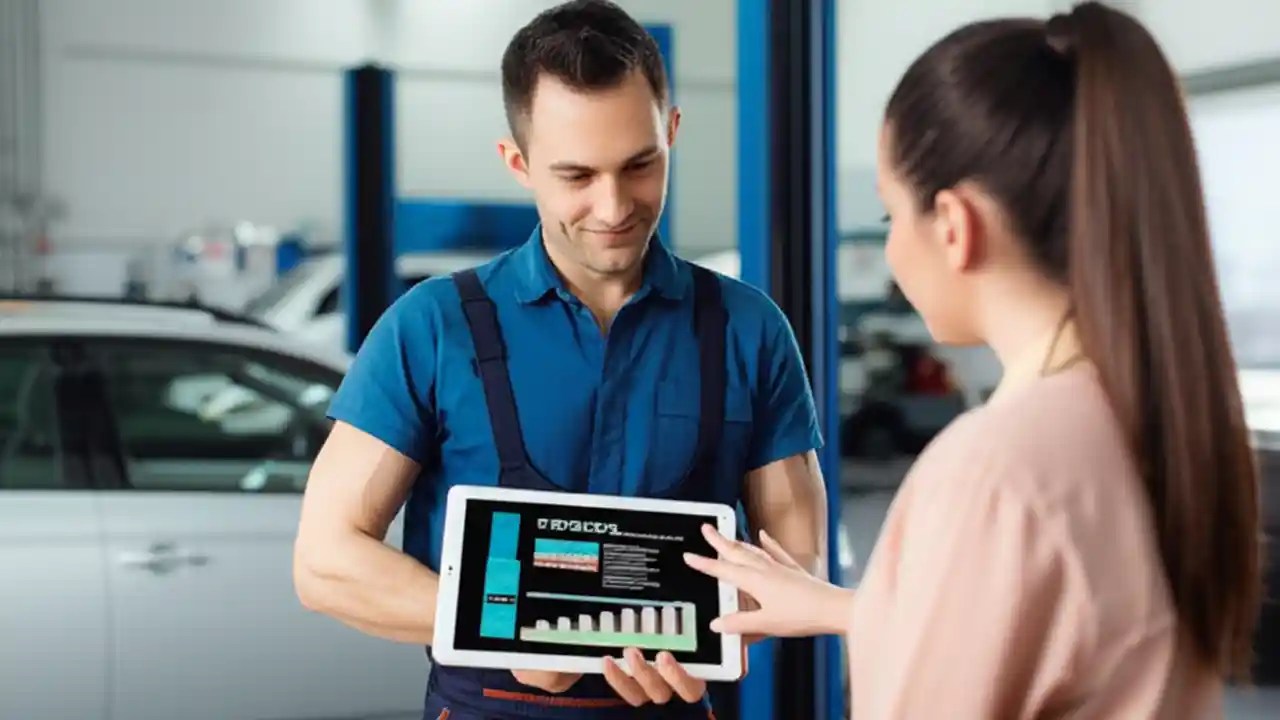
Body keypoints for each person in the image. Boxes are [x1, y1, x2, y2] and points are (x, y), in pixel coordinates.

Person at [685, 3, 1262, 719]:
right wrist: (848, 610)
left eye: (893, 215)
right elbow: (1062, 643)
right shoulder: (1152, 412)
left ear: (954, 226)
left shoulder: (995, 471)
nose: (892, 248)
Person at [292, 1, 829, 718]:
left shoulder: (748, 330)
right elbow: (325, 561)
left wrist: (704, 634)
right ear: (518, 163)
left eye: (640, 165)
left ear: (671, 132)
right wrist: (508, 635)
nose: (613, 207)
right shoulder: (431, 328)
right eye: (576, 176)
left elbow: (796, 559)